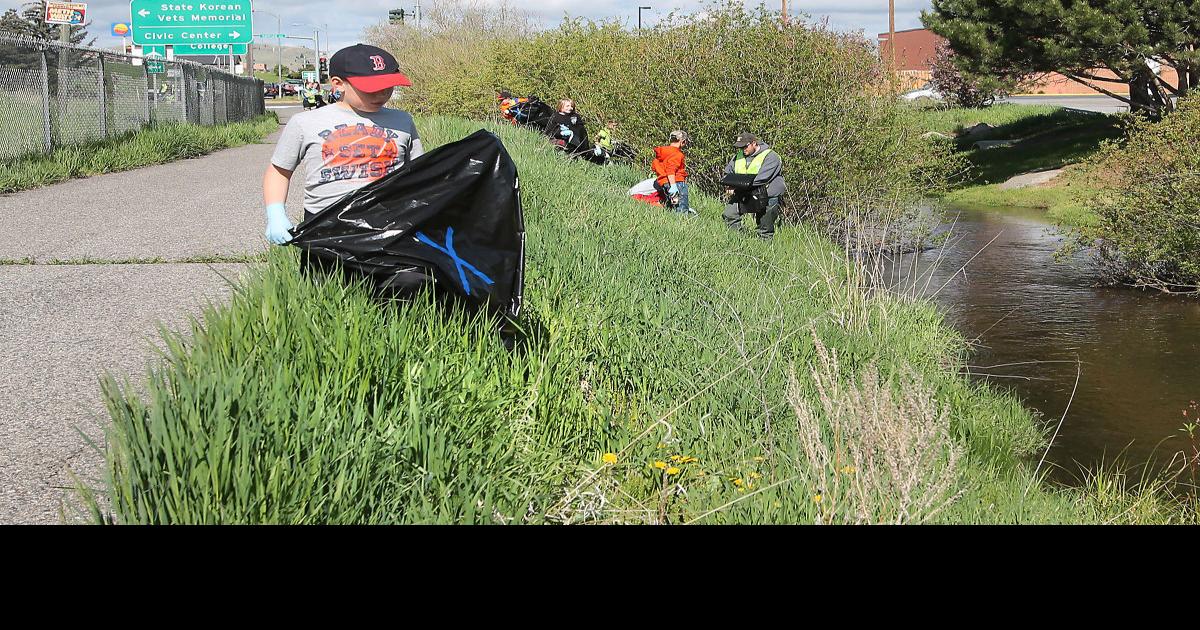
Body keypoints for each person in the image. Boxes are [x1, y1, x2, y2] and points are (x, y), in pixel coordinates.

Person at [262, 43, 424, 263]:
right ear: (338, 84)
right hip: (326, 227)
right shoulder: (305, 123)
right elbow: (279, 171)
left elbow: (418, 174)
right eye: (371, 89)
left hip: (388, 224)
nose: (382, 94)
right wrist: (275, 213)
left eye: (388, 87)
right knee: (327, 280)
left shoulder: (402, 121)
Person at [722, 133, 786, 240]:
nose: (742, 149)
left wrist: (736, 186)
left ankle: (764, 245)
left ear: (754, 143)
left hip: (767, 194)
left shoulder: (771, 156)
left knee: (764, 227)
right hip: (744, 192)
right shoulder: (738, 156)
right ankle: (738, 240)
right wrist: (729, 184)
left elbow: (762, 179)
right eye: (740, 147)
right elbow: (728, 172)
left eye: (745, 146)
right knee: (729, 215)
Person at [651, 130, 693, 215]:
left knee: (671, 208)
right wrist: (673, 186)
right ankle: (683, 222)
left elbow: (654, 167)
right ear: (682, 142)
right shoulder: (677, 154)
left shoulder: (661, 153)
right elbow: (671, 170)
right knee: (681, 211)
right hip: (677, 183)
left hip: (664, 184)